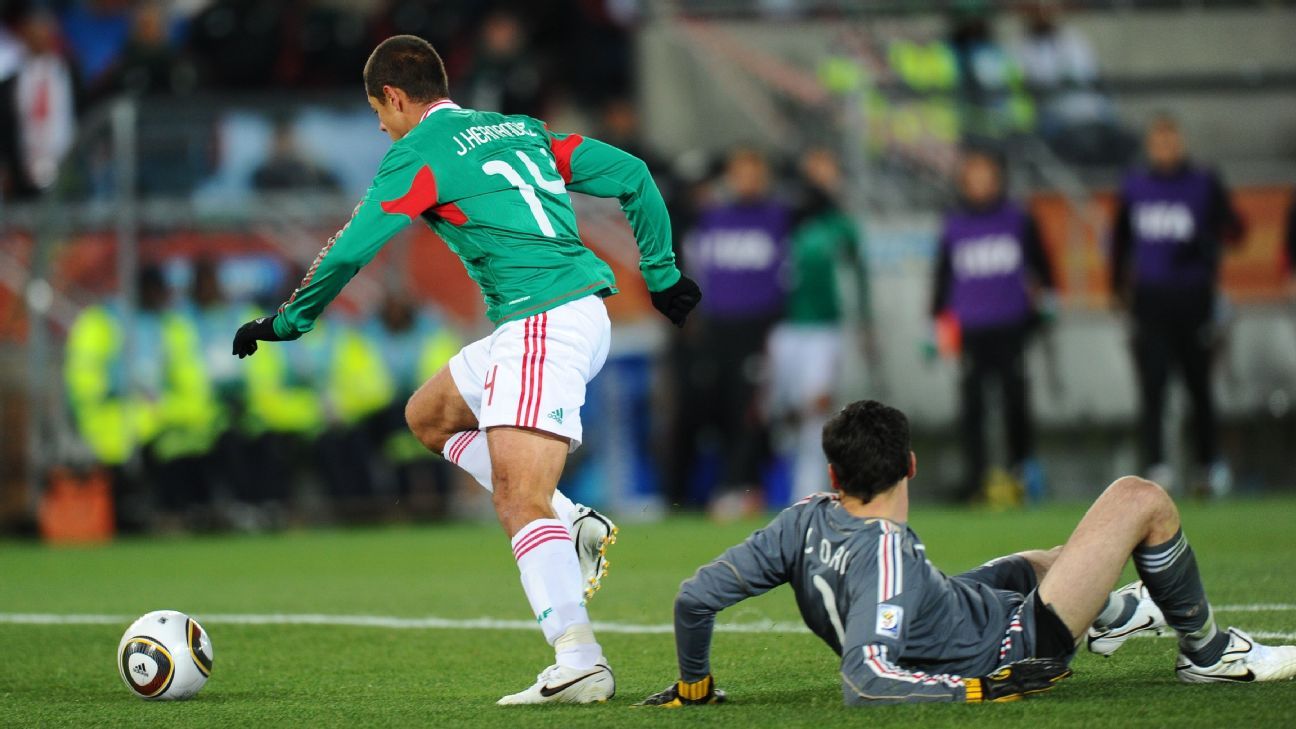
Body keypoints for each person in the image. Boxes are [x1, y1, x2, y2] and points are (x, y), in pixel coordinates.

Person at [230, 35, 701, 704]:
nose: (381, 125)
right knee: (429, 414)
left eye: (378, 112)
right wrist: (661, 272)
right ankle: (569, 522)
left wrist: (287, 320)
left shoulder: (418, 152)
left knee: (516, 496)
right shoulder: (518, 128)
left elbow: (346, 251)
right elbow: (632, 174)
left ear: (394, 96)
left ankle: (580, 656)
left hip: (545, 320)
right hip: (560, 319)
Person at [638, 400, 1296, 707]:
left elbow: (696, 597)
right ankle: (1212, 656)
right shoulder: (888, 554)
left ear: (834, 476)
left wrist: (696, 687)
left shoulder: (805, 519)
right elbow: (867, 679)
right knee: (1139, 499)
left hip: (952, 600)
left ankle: (1113, 611)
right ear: (912, 465)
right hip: (1008, 642)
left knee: (1046, 559)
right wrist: (981, 686)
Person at [1111, 114, 1244, 497]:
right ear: (1150, 145)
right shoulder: (1136, 186)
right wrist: (1116, 288)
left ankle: (1208, 466)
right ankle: (1157, 467)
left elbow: (1235, 228)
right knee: (1153, 388)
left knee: (1199, 386)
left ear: (1181, 142)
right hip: (1150, 302)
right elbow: (1121, 242)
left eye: (1171, 140)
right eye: (1158, 140)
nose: (1165, 148)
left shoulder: (1203, 183)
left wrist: (1207, 243)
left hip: (1193, 300)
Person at [930, 147, 1056, 502]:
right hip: (971, 329)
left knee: (1016, 400)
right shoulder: (954, 223)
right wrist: (936, 323)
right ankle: (977, 479)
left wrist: (1044, 308)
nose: (980, 184)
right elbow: (942, 278)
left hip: (1011, 325)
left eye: (986, 176)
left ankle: (1022, 471)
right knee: (973, 407)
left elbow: (1043, 268)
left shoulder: (1018, 219)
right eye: (974, 177)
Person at [670, 147, 791, 512]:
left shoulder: (778, 216)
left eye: (753, 172)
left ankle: (740, 487)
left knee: (750, 409)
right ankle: (697, 492)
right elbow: (672, 203)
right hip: (716, 327)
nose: (746, 180)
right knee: (713, 406)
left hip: (760, 327)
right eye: (739, 172)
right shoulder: (711, 216)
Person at [768, 147, 871, 503]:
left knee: (816, 408)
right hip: (783, 328)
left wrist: (864, 323)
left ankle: (807, 494)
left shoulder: (839, 226)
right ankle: (779, 485)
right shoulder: (781, 219)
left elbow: (859, 275)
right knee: (785, 413)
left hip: (823, 330)